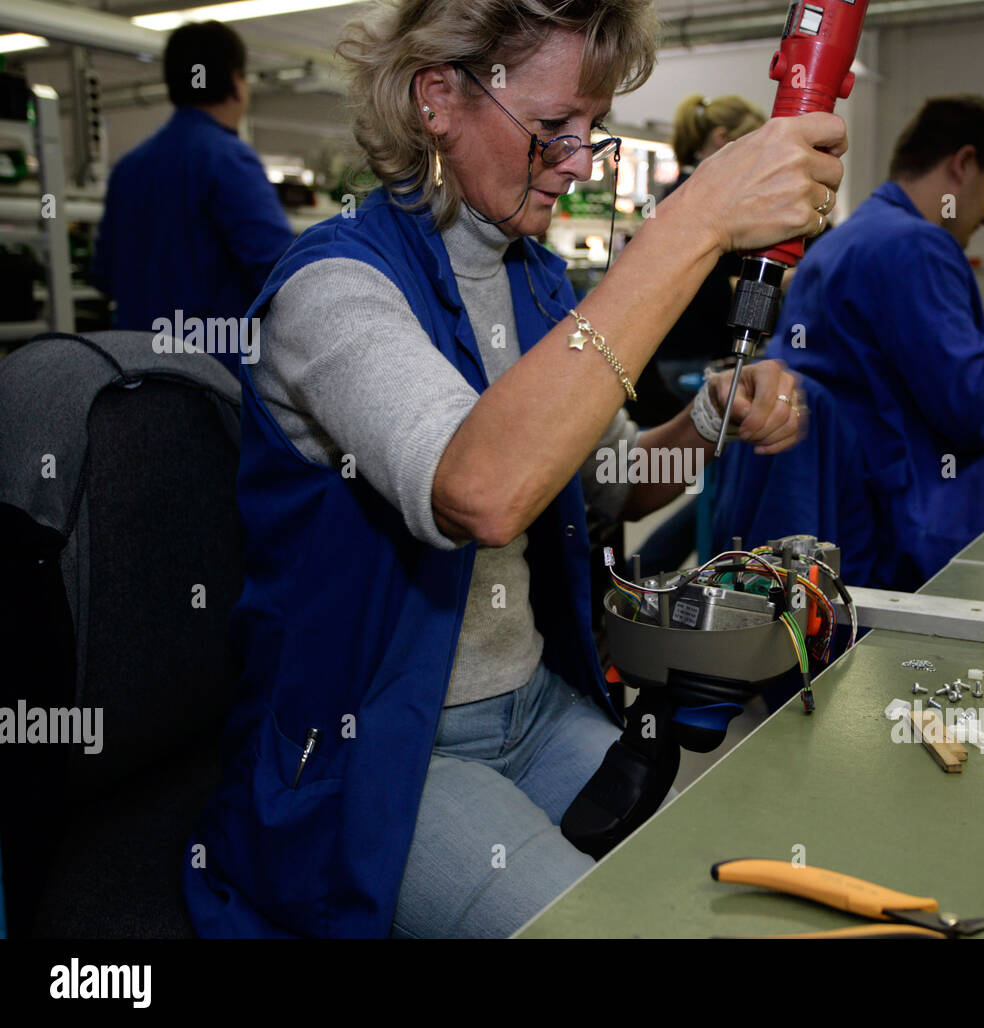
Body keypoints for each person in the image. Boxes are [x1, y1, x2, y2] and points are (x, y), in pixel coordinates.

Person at [182, 0, 841, 939]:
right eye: (551, 131)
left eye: (591, 134)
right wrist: (690, 225)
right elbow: (478, 492)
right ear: (436, 98)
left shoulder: (533, 278)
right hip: (385, 753)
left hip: (533, 710)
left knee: (738, 883)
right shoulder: (333, 291)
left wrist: (708, 417)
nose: (577, 163)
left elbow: (605, 482)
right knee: (602, 927)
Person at [711, 95, 984, 591]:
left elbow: (877, 368)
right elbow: (976, 410)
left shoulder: (847, 241)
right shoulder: (918, 247)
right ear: (964, 164)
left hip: (850, 535)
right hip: (909, 553)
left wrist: (981, 331)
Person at [90, 21, 293, 375]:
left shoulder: (128, 168)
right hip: (212, 375)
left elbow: (102, 273)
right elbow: (280, 273)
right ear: (235, 82)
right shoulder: (227, 159)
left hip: (133, 373)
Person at [633, 93, 767, 575]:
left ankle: (642, 569)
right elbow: (717, 295)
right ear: (721, 141)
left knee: (716, 477)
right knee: (729, 478)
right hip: (692, 363)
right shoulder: (703, 205)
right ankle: (646, 570)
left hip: (675, 358)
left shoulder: (676, 197)